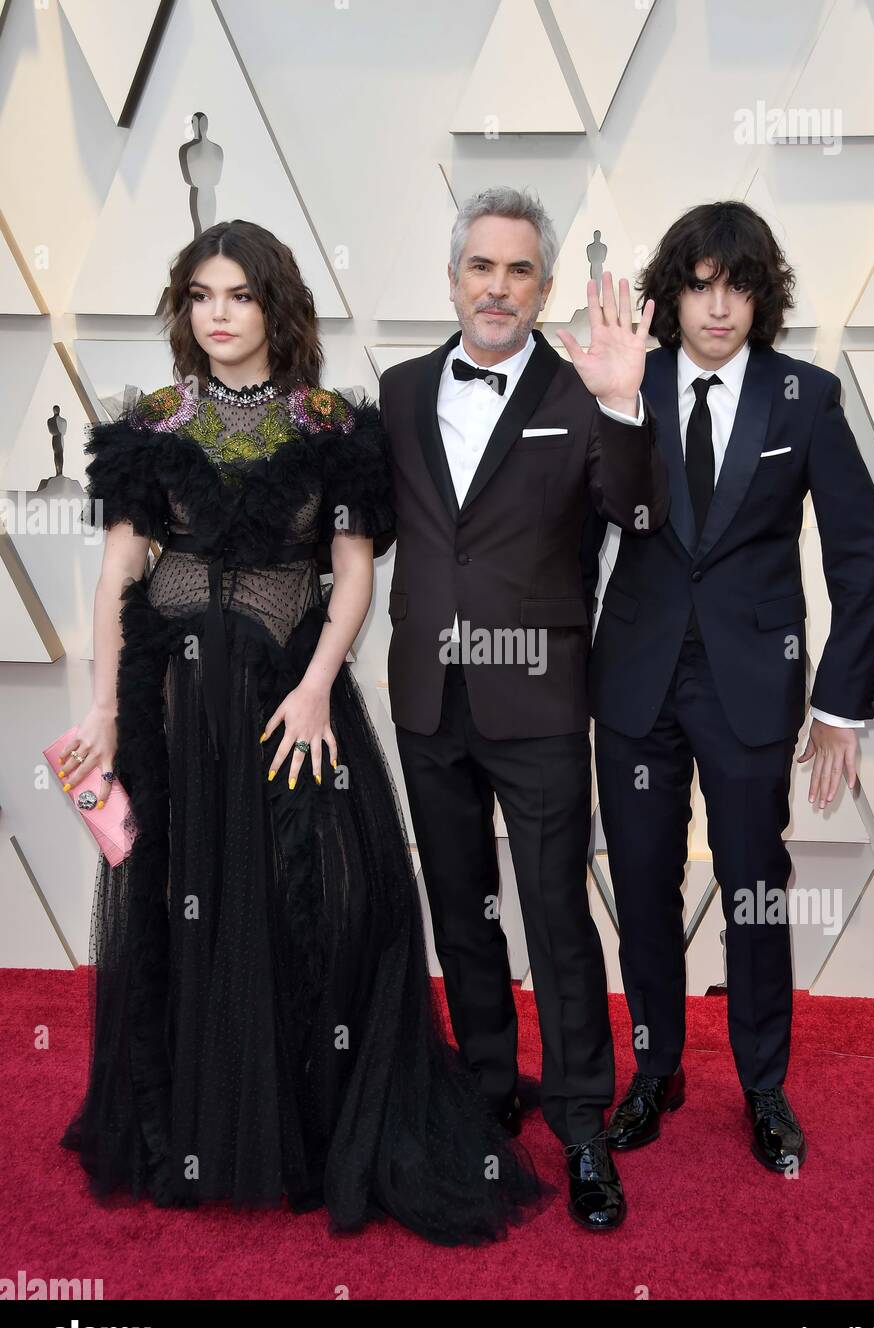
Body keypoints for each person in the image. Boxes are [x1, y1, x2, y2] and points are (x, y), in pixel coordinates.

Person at [59, 218, 552, 1246]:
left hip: (289, 692)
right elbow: (120, 571)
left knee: (326, 897)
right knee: (183, 898)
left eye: (237, 295)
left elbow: (356, 568)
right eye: (200, 296)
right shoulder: (152, 422)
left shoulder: (331, 424)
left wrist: (323, 683)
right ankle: (192, 1120)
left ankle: (310, 1112)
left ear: (274, 304)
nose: (218, 314)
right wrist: (104, 707)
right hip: (173, 701)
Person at [377, 187, 668, 1231]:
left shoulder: (584, 387)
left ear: (543, 287)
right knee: (459, 911)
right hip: (426, 696)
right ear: (452, 277)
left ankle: (582, 1120)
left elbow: (638, 516)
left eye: (517, 271)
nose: (496, 287)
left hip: (540, 698)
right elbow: (365, 531)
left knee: (553, 917)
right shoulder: (401, 390)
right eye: (479, 267)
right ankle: (491, 1088)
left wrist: (627, 408)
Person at [588, 200, 874, 1173]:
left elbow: (860, 551)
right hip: (635, 679)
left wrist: (838, 703)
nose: (717, 305)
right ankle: (653, 1071)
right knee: (639, 886)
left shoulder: (802, 397)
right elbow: (597, 511)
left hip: (749, 688)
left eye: (737, 285)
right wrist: (612, 408)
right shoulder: (623, 384)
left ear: (760, 297)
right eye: (698, 283)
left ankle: (763, 1087)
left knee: (754, 889)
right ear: (670, 292)